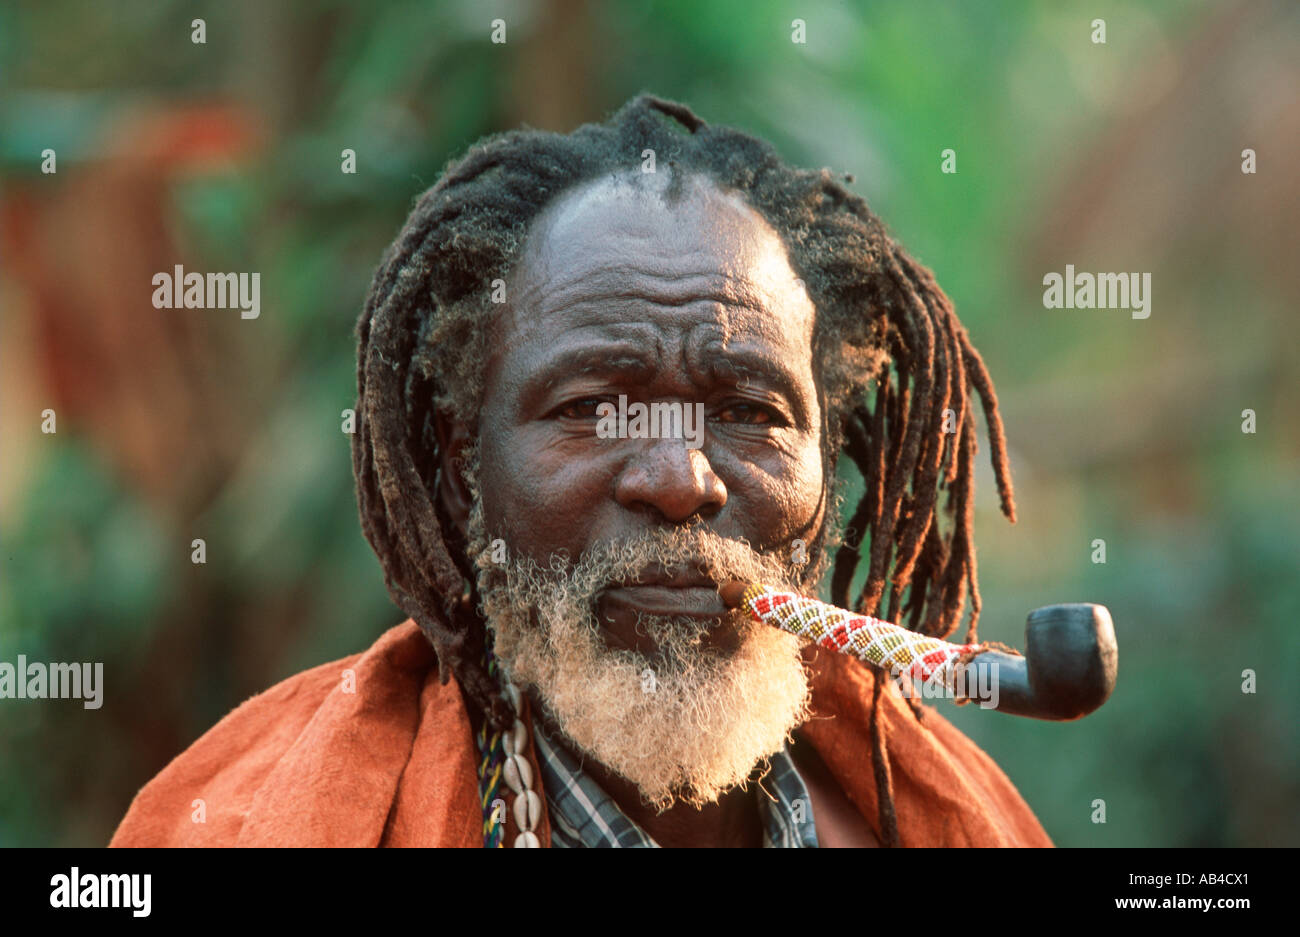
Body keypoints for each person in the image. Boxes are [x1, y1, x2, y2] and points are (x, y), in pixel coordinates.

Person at [111, 94, 1049, 848]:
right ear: (459, 463)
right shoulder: (230, 826)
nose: (681, 482)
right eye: (594, 409)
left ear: (825, 477)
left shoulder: (956, 821)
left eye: (751, 414)